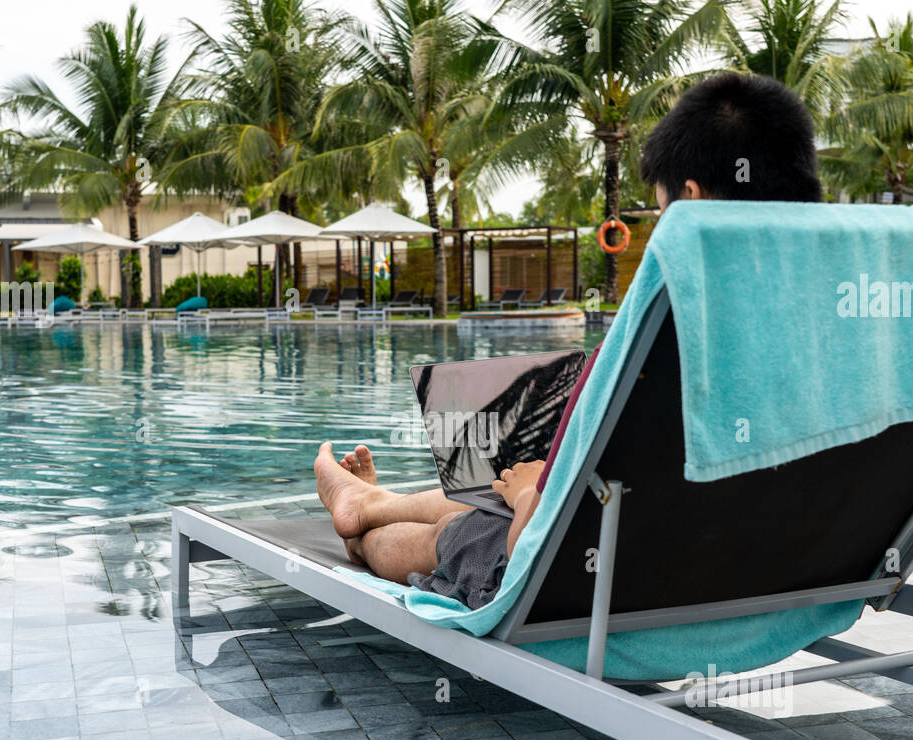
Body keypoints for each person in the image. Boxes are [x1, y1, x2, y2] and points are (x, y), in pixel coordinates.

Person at [314, 72, 824, 609]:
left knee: (459, 533)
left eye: (660, 209)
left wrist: (532, 492)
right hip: (777, 570)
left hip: (617, 579)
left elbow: (528, 543)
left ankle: (362, 531)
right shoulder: (846, 332)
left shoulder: (657, 343)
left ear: (690, 200)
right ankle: (371, 501)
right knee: (497, 493)